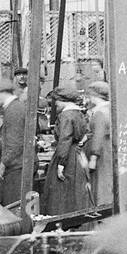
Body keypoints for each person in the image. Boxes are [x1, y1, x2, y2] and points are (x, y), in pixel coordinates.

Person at [40, 87, 92, 216]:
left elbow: (65, 139)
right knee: (75, 190)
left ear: (62, 100)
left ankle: (61, 220)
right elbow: (85, 133)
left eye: (56, 102)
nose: (55, 105)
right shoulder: (79, 113)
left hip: (67, 156)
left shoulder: (66, 115)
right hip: (78, 154)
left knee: (61, 191)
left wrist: (61, 163)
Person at [0, 81, 27, 207]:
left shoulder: (13, 109)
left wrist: (2, 166)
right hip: (17, 162)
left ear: (0, 94)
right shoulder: (16, 106)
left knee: (13, 205)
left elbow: (15, 143)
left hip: (16, 165)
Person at [84, 81, 113, 206]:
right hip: (109, 148)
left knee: (101, 180)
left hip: (101, 151)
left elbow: (98, 136)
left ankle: (102, 207)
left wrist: (93, 157)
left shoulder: (99, 112)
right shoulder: (111, 108)